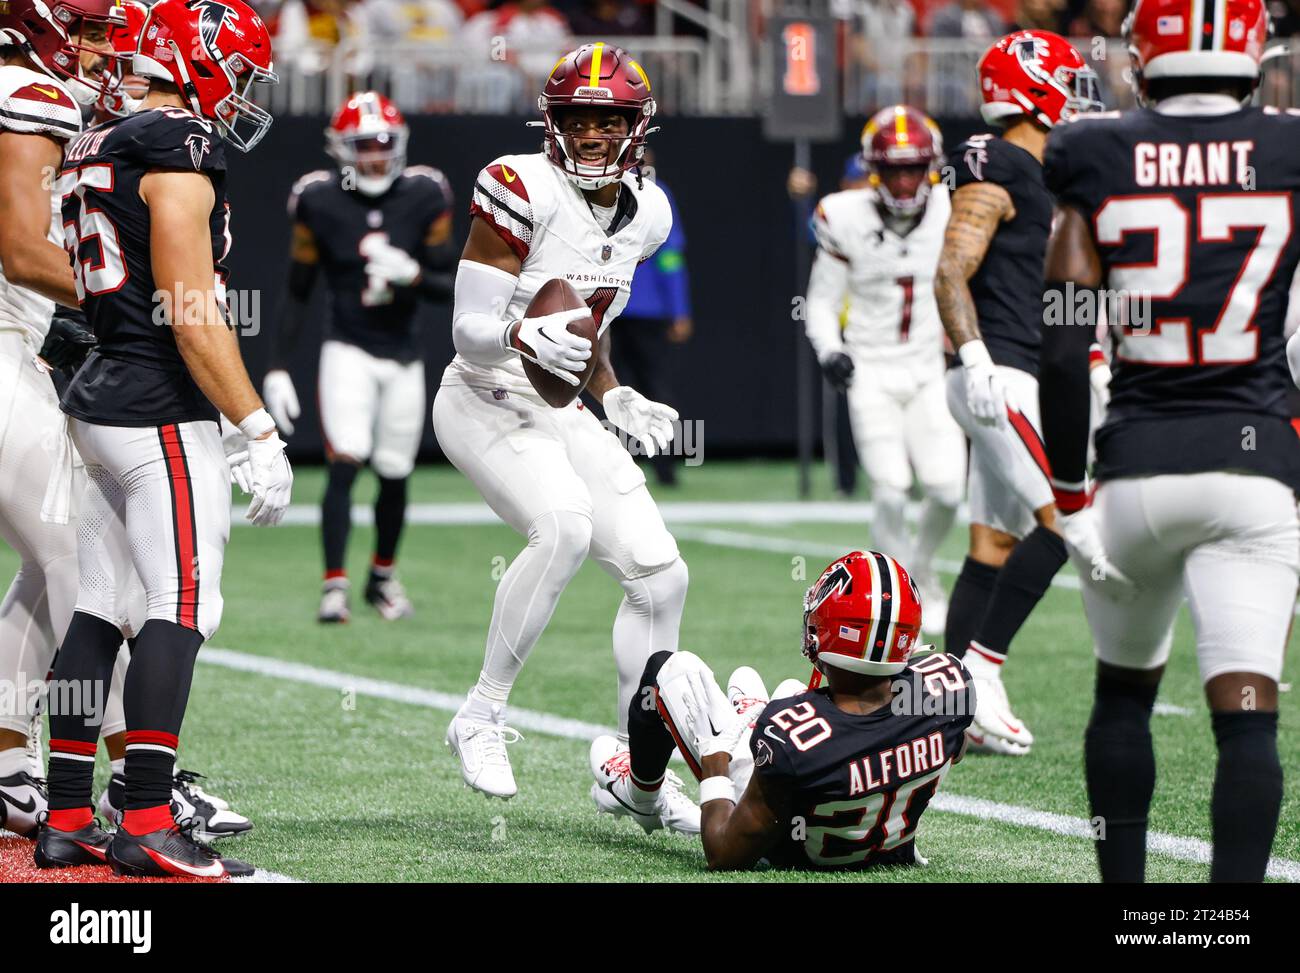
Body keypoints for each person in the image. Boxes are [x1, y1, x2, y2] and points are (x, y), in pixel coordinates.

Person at [1040, 0, 1299, 883]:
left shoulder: (1092, 150)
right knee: (1248, 713)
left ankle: (1130, 918)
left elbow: (1066, 339)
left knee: (1122, 695)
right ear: (1254, 50)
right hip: (1256, 466)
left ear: (1145, 52)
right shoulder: (1291, 148)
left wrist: (1069, 493)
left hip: (1136, 470)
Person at [34, 0, 290, 878]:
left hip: (96, 389)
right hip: (155, 404)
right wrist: (256, 424)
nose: (246, 94)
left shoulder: (95, 137)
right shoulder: (175, 147)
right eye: (242, 71)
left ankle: (66, 809)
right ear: (201, 59)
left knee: (100, 605)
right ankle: (144, 816)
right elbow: (191, 309)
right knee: (183, 604)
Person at [435, 43, 686, 800]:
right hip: (483, 389)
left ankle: (637, 775)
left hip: (560, 400)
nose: (592, 135)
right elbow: (468, 325)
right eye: (579, 119)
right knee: (567, 526)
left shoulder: (650, 214)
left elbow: (587, 322)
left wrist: (612, 394)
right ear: (554, 123)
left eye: (610, 121)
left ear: (638, 129)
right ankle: (480, 714)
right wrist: (516, 334)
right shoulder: (519, 185)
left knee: (660, 575)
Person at [934, 29, 1105, 756]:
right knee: (1070, 523)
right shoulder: (995, 160)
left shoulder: (1043, 174)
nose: (1077, 96)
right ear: (1035, 86)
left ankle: (945, 707)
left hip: (1010, 373)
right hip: (997, 376)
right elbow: (951, 270)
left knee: (993, 542)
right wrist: (974, 358)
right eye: (1066, 81)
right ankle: (980, 671)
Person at [590, 550, 975, 871]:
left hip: (793, 847)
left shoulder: (791, 735)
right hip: (882, 841)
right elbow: (947, 750)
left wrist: (716, 766)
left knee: (669, 668)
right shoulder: (950, 688)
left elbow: (723, 855)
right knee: (789, 691)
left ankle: (639, 793)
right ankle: (752, 716)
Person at [263, 91, 455, 623]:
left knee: (395, 471)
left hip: (405, 355)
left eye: (383, 143)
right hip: (347, 347)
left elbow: (450, 285)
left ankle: (381, 578)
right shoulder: (318, 199)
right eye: (363, 144)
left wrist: (413, 275)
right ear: (341, 150)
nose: (374, 154)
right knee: (344, 461)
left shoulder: (425, 193)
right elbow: (298, 288)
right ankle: (334, 585)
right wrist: (279, 363)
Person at [804, 105, 965, 635]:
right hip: (870, 369)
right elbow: (822, 302)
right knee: (892, 490)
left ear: (932, 168)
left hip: (926, 368)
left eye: (913, 168)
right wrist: (830, 349)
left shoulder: (954, 207)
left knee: (945, 490)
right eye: (893, 169)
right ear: (873, 170)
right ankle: (903, 596)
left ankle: (920, 568)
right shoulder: (843, 215)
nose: (903, 179)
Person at [612, 148, 691, 486]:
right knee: (653, 387)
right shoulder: (659, 194)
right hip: (645, 307)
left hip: (612, 305)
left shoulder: (598, 190)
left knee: (614, 388)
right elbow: (671, 258)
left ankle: (620, 465)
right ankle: (665, 468)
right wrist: (679, 309)